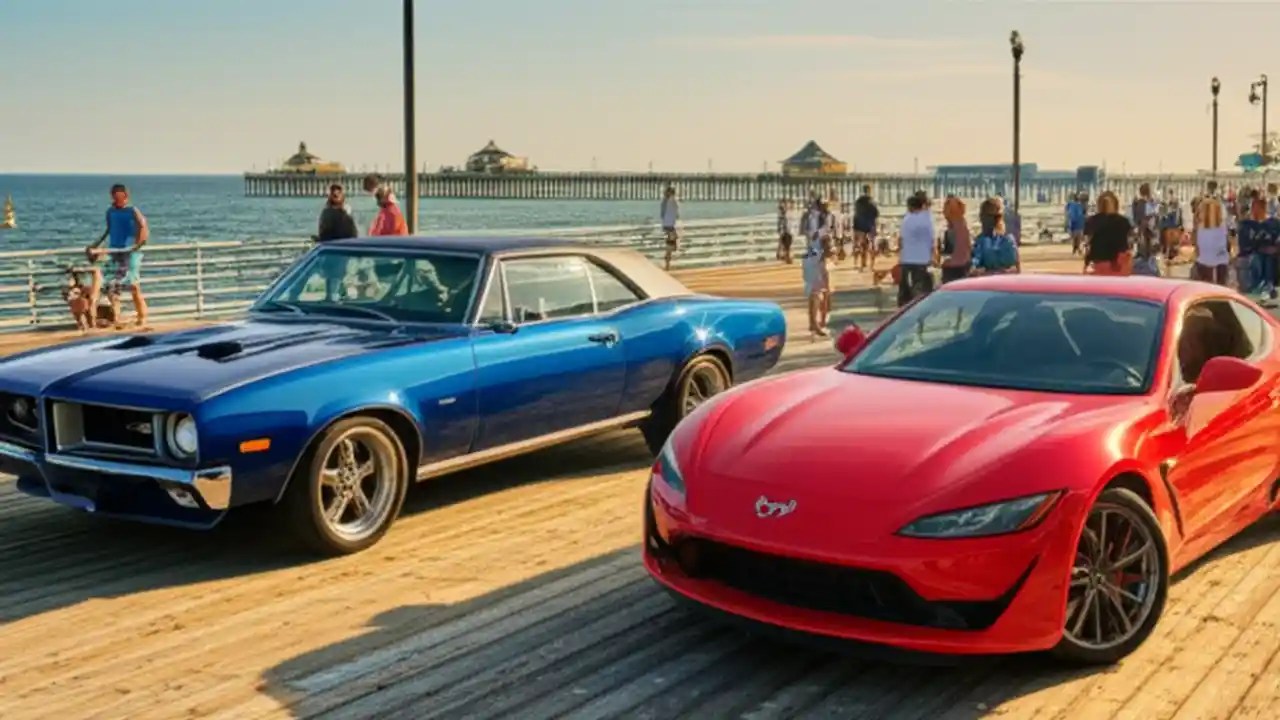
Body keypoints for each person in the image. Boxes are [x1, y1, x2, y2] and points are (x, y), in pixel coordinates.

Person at [86, 183, 149, 329]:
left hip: (130, 251)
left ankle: (142, 316)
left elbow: (143, 226)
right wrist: (96, 245)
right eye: (114, 194)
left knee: (133, 285)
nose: (117, 197)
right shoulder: (110, 211)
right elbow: (109, 229)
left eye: (120, 194)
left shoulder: (132, 210)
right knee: (113, 286)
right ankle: (117, 317)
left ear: (126, 196)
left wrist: (138, 244)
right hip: (114, 250)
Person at [801, 200, 836, 337]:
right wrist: (834, 252)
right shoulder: (823, 230)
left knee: (814, 293)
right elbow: (826, 249)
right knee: (819, 293)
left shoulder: (811, 224)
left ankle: (813, 322)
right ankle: (817, 323)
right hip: (816, 261)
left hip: (809, 257)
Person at [896, 192, 935, 305]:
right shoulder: (927, 218)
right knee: (921, 294)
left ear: (910, 207)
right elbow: (932, 239)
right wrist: (933, 256)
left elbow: (901, 241)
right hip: (923, 260)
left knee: (905, 294)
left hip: (907, 259)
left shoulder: (906, 219)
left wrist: (900, 256)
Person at [1083, 191, 1133, 275]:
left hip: (1098, 263)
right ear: (1116, 205)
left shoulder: (1092, 221)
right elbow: (1129, 243)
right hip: (1119, 264)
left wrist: (1087, 263)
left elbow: (1087, 244)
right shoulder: (1124, 221)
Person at [971, 198, 1020, 275]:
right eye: (987, 215)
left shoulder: (1007, 240)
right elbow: (974, 265)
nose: (990, 220)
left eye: (994, 216)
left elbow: (1016, 269)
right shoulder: (979, 242)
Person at [1193, 193, 1230, 285]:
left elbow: (1197, 248)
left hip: (1203, 262)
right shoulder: (1223, 227)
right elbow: (1227, 244)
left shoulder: (1199, 228)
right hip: (1221, 261)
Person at [939, 195, 972, 283]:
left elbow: (952, 249)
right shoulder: (962, 224)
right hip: (964, 265)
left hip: (955, 267)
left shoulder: (954, 227)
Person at [852, 184, 879, 271]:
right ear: (869, 190)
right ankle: (871, 265)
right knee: (871, 246)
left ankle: (862, 264)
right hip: (870, 225)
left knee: (862, 246)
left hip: (860, 226)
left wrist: (855, 227)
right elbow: (876, 214)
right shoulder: (871, 202)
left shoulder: (858, 201)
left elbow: (856, 214)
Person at [660, 186, 681, 270]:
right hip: (669, 225)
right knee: (671, 244)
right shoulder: (671, 201)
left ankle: (667, 263)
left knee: (671, 243)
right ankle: (667, 264)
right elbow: (677, 214)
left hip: (667, 225)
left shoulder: (665, 201)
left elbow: (662, 214)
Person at [775, 199, 794, 263]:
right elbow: (781, 224)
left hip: (787, 231)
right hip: (785, 231)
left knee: (786, 245)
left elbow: (788, 223)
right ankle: (785, 256)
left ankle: (784, 256)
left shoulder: (786, 214)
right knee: (785, 245)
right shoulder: (782, 215)